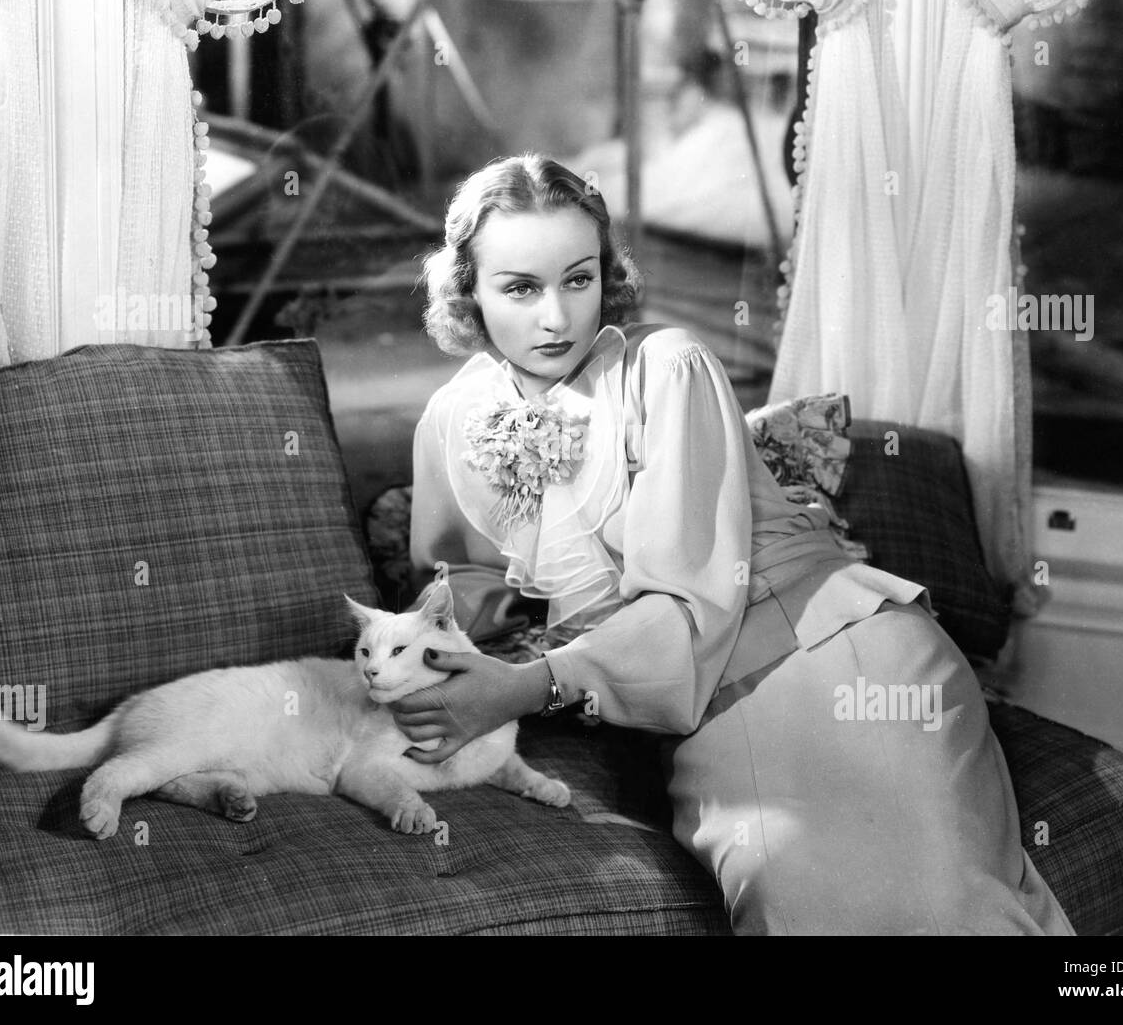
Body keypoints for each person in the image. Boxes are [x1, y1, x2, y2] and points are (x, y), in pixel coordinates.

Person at [392, 154, 1074, 936]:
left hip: (829, 652)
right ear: (467, 292)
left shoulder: (669, 365)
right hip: (697, 708)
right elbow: (459, 589)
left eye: (577, 280)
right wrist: (445, 666)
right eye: (519, 288)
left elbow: (693, 602)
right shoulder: (451, 421)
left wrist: (525, 686)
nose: (555, 317)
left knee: (947, 905)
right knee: (793, 905)